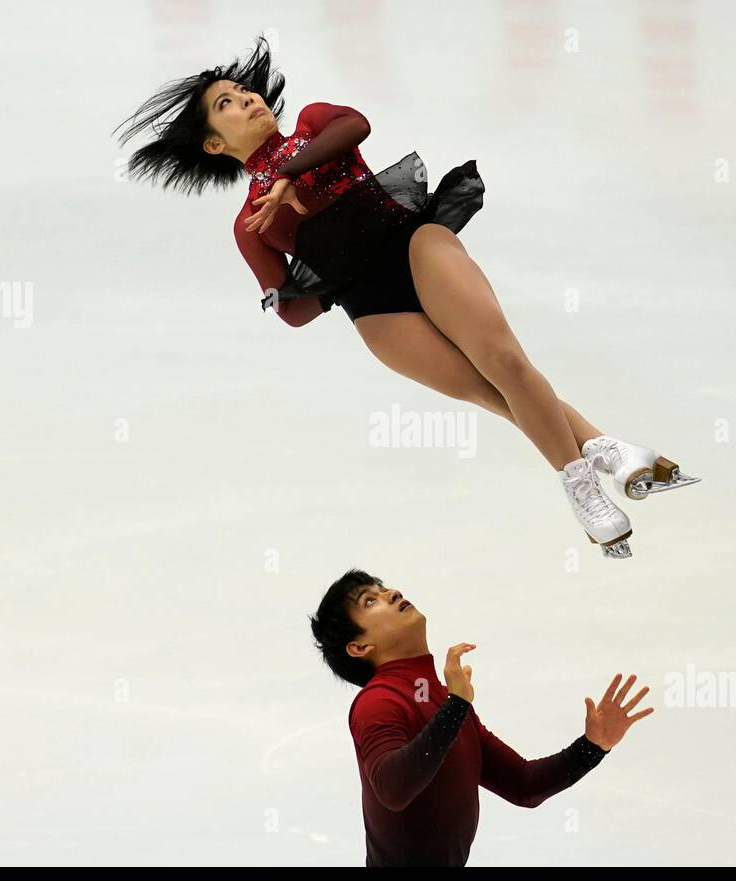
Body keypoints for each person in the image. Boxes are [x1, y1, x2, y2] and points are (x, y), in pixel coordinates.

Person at [113, 35, 698, 557]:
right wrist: (322, 275)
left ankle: (584, 486)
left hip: (415, 246)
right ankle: (606, 454)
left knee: (506, 362)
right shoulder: (251, 224)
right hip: (373, 306)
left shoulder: (315, 125)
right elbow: (290, 311)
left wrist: (290, 172)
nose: (247, 101)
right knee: (491, 393)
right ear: (214, 145)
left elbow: (356, 126)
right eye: (228, 105)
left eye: (244, 91)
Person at [309, 568, 654, 866]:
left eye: (382, 589)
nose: (391, 593)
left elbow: (523, 784)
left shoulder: (442, 699)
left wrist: (593, 745)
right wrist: (456, 706)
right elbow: (393, 788)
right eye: (370, 601)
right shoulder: (379, 701)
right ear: (358, 648)